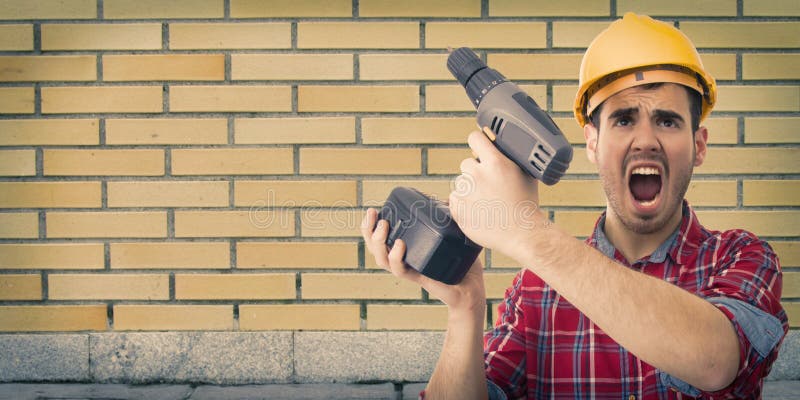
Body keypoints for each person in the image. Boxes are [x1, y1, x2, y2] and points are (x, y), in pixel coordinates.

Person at [361, 12, 787, 400]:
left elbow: (714, 360)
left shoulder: (742, 258)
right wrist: (464, 307)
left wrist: (528, 231)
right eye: (623, 119)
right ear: (592, 142)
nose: (644, 140)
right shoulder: (534, 291)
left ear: (698, 145)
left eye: (667, 120)